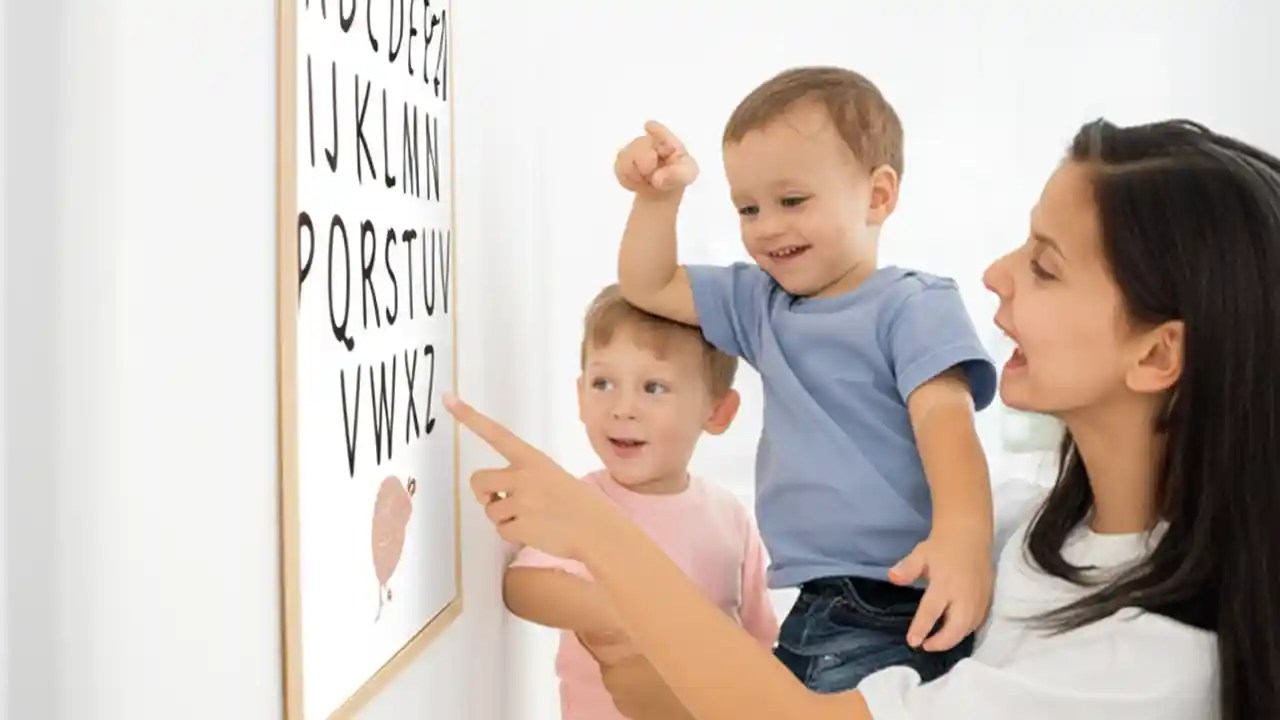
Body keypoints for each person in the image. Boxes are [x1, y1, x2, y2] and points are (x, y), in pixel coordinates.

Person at [448, 117, 1280, 720]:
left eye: (1045, 265)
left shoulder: (1145, 662)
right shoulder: (1024, 534)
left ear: (1158, 357)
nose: (995, 274)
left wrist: (596, 534)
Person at [612, 65, 999, 690]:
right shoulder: (761, 304)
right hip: (819, 602)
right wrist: (658, 198)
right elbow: (648, 283)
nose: (766, 226)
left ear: (878, 196)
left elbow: (946, 424)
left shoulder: (912, 305)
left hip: (897, 597)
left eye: (792, 201)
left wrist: (963, 541)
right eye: (748, 207)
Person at [502, 284, 777, 720]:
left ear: (717, 411)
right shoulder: (585, 505)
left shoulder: (730, 516)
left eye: (653, 387)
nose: (622, 407)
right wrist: (621, 609)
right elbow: (523, 587)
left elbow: (761, 641)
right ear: (579, 396)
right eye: (603, 383)